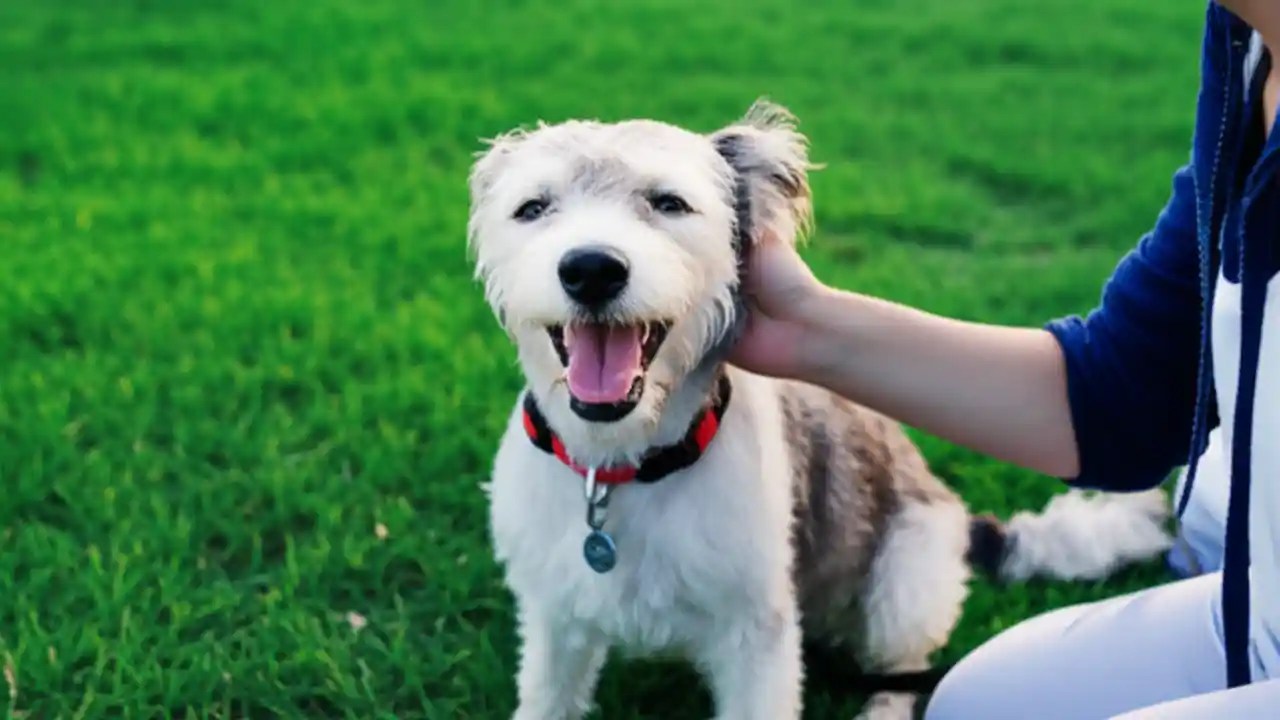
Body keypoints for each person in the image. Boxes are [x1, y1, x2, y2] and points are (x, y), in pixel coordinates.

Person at [728, 2, 1280, 717]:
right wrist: (807, 328)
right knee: (978, 706)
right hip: (1260, 613)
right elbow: (1126, 398)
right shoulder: (1248, 47)